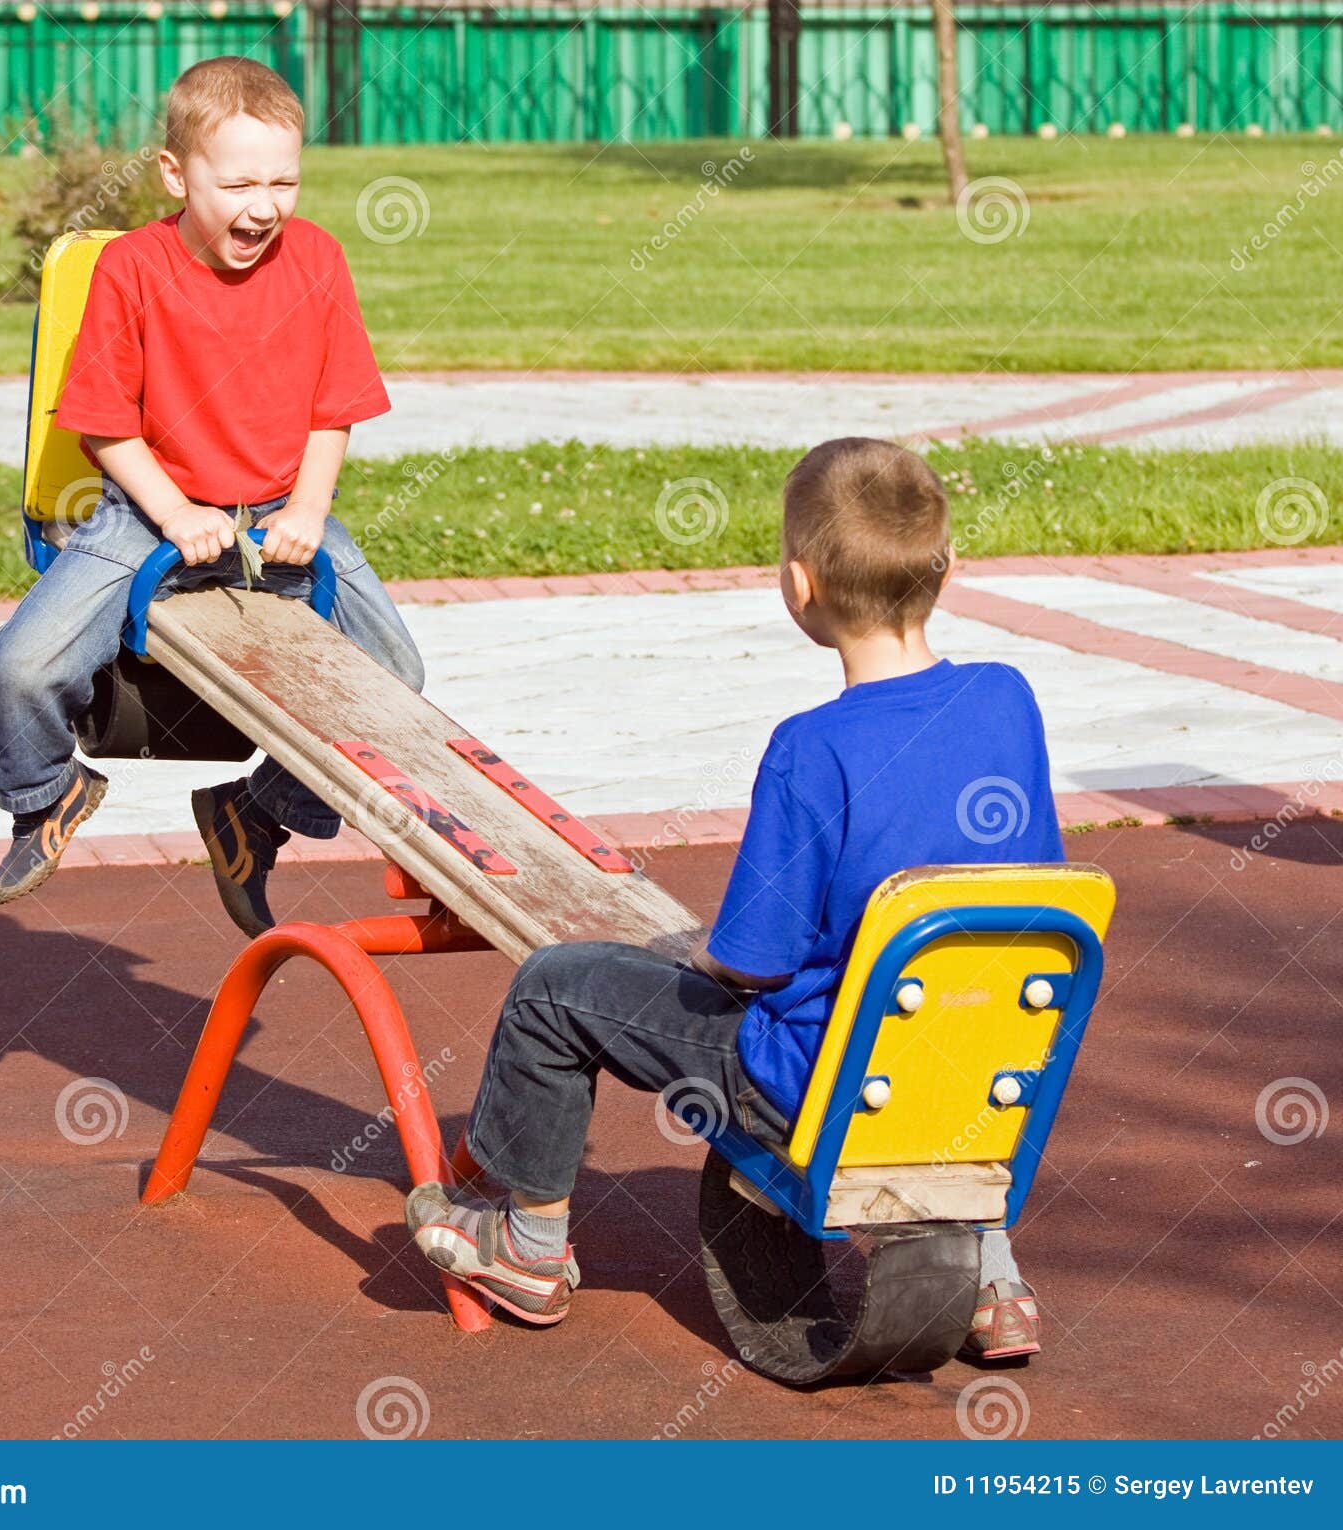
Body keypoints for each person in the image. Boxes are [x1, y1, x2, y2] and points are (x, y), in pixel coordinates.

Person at [406, 437, 1062, 1360]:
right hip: (978, 1080)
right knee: (954, 1014)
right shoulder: (1009, 700)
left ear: (800, 585)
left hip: (817, 1087)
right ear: (944, 571)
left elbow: (756, 960)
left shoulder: (812, 749)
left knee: (555, 990)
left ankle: (527, 1247)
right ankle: (993, 1284)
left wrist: (699, 955)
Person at [0, 56, 423, 935]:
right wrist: (176, 513)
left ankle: (254, 811)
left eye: (284, 181)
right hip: (149, 510)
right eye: (239, 183)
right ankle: (48, 791)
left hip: (278, 509)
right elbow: (105, 426)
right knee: (20, 665)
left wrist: (304, 511)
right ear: (176, 175)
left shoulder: (318, 261)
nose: (264, 205)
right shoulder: (132, 272)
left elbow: (333, 411)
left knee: (397, 680)